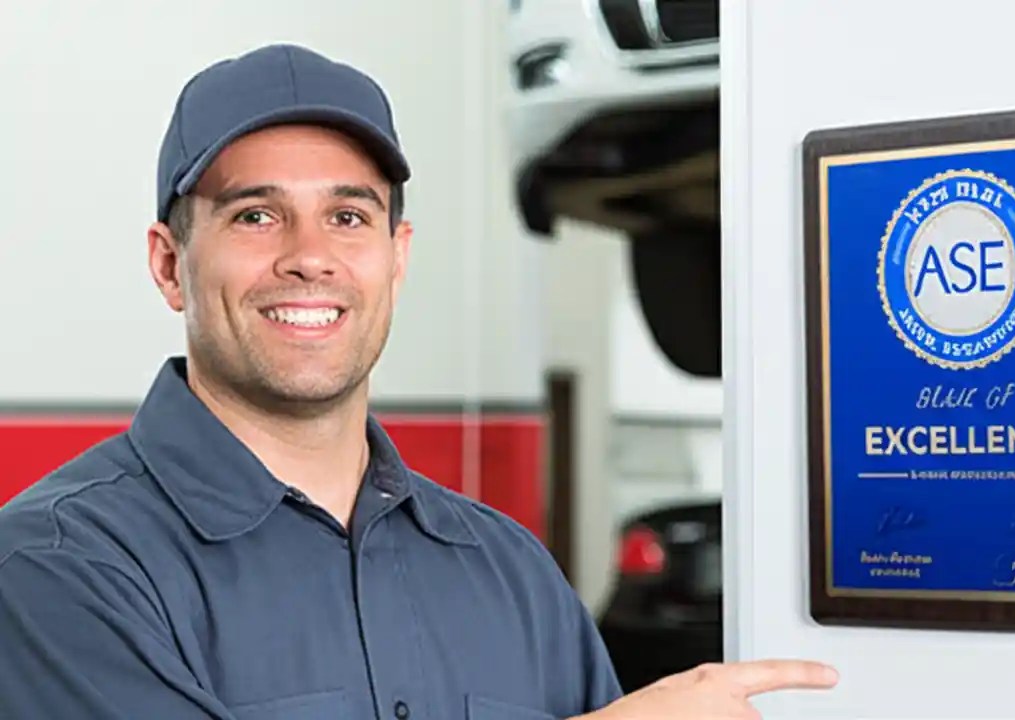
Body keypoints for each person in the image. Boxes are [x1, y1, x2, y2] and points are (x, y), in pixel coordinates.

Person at [0, 44, 838, 719]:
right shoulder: (57, 568)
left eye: (349, 215)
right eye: (255, 214)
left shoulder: (511, 572)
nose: (309, 255)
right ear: (169, 262)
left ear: (395, 259)